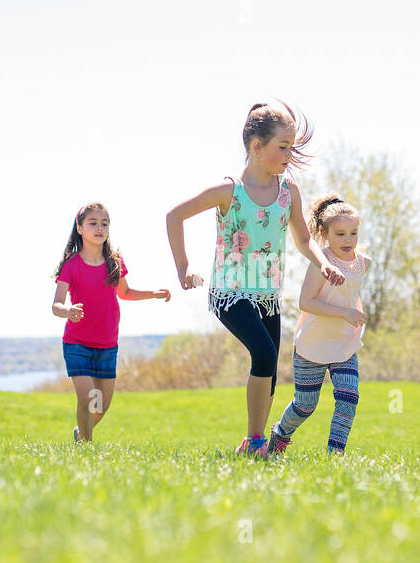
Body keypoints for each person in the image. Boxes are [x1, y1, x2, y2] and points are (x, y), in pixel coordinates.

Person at [166, 101, 345, 457]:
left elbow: (303, 238)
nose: (289, 155)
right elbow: (175, 216)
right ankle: (256, 440)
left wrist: (323, 261)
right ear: (256, 148)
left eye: (292, 148)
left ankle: (257, 442)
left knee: (270, 369)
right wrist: (183, 267)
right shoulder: (227, 192)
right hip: (229, 294)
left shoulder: (287, 191)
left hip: (267, 294)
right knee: (262, 353)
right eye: (283, 147)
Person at [53, 203, 170, 442]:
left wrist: (153, 293)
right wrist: (68, 311)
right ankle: (85, 447)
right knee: (86, 398)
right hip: (77, 343)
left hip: (107, 344)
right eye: (93, 223)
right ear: (80, 228)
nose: (99, 228)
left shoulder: (114, 260)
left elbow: (125, 293)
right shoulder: (71, 265)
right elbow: (56, 304)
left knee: (101, 406)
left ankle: (81, 432)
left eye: (104, 224)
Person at [266, 194, 368, 456]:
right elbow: (306, 302)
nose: (348, 240)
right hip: (312, 345)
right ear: (325, 234)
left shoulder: (363, 263)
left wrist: (355, 313)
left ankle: (335, 455)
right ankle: (280, 434)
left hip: (344, 344)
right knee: (305, 405)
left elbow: (350, 292)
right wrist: (344, 312)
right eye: (341, 234)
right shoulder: (320, 263)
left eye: (353, 233)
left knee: (349, 397)